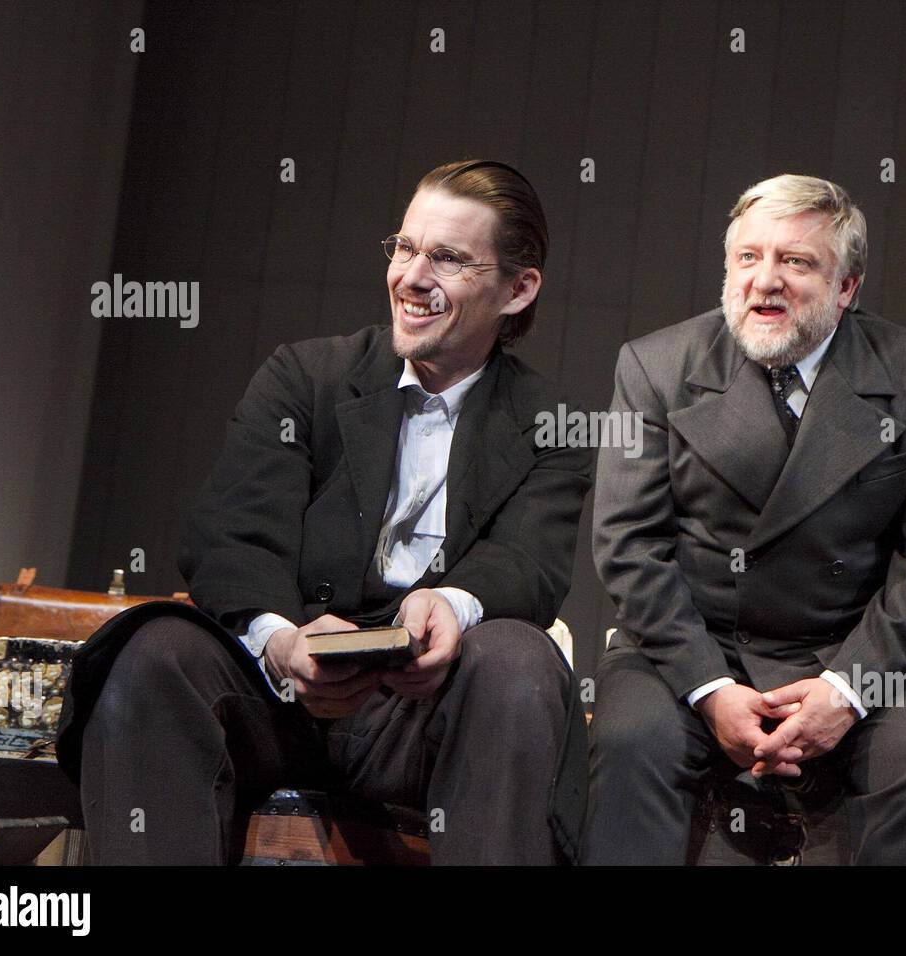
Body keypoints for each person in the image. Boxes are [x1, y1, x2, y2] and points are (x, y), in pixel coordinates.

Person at [55, 159, 593, 865]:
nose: (412, 276)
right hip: (281, 707)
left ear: (518, 289)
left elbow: (527, 562)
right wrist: (283, 645)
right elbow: (232, 538)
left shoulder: (551, 421)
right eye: (404, 247)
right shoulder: (304, 377)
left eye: (449, 258)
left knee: (518, 659)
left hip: (425, 722)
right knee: (155, 652)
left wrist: (454, 606)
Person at [584, 173, 906, 865]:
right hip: (690, 645)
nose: (765, 281)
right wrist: (710, 689)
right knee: (629, 741)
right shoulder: (654, 367)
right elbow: (629, 546)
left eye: (795, 262)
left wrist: (846, 688)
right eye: (748, 258)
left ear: (847, 288)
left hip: (851, 649)